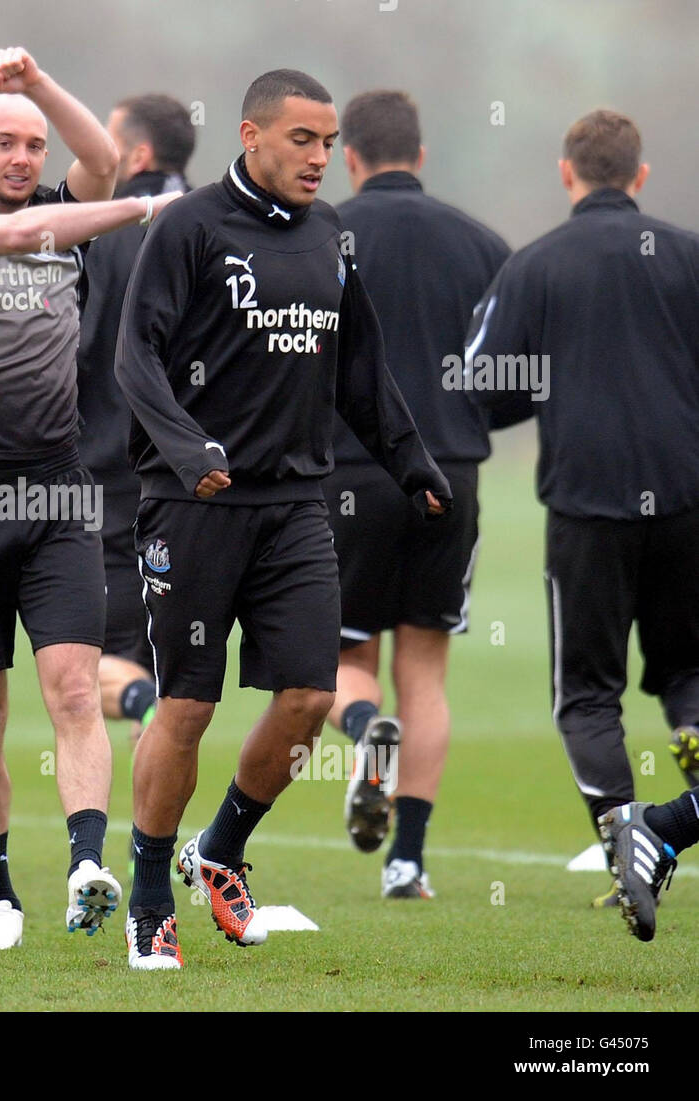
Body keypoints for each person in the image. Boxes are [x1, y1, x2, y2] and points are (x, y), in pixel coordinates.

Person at [115, 69, 450, 971]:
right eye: (302, 140)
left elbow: (361, 372)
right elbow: (133, 354)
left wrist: (412, 461)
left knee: (308, 696)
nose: (319, 158)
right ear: (251, 135)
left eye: (329, 143)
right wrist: (188, 449)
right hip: (194, 504)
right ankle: (150, 899)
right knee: (186, 703)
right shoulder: (187, 225)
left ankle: (219, 850)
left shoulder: (332, 235)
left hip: (296, 505)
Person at [0, 46, 182, 951]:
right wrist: (147, 207)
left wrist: (38, 87)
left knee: (71, 688)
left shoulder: (68, 203)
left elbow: (99, 161)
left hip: (59, 492)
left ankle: (86, 865)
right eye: (7, 144)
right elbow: (22, 236)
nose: (24, 159)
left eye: (33, 145)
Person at [464, 108, 699, 918]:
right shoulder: (687, 255)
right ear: (640, 175)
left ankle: (627, 841)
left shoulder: (536, 265)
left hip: (586, 502)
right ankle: (687, 767)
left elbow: (478, 384)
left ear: (568, 174)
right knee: (690, 671)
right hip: (688, 497)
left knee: (589, 693)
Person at [320, 90, 509, 900]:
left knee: (339, 656)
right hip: (450, 470)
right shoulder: (484, 243)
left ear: (348, 156)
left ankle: (366, 735)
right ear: (420, 155)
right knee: (425, 669)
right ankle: (409, 861)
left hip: (347, 472)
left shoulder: (317, 232)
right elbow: (507, 370)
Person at [77, 93, 195, 747]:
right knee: (181, 643)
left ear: (139, 155)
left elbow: (74, 346)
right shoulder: (224, 221)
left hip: (111, 469)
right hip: (208, 473)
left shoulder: (105, 232)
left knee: (78, 659)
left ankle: (150, 709)